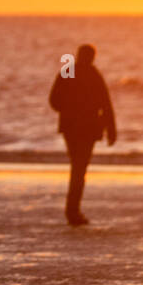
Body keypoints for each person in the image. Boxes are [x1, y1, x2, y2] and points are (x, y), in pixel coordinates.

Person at [48, 43, 116, 225]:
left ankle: (72, 210)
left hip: (80, 128)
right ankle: (72, 211)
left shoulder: (83, 74)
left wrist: (111, 129)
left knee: (78, 167)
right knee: (79, 167)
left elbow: (105, 103)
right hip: (80, 129)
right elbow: (55, 100)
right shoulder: (82, 74)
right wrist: (110, 129)